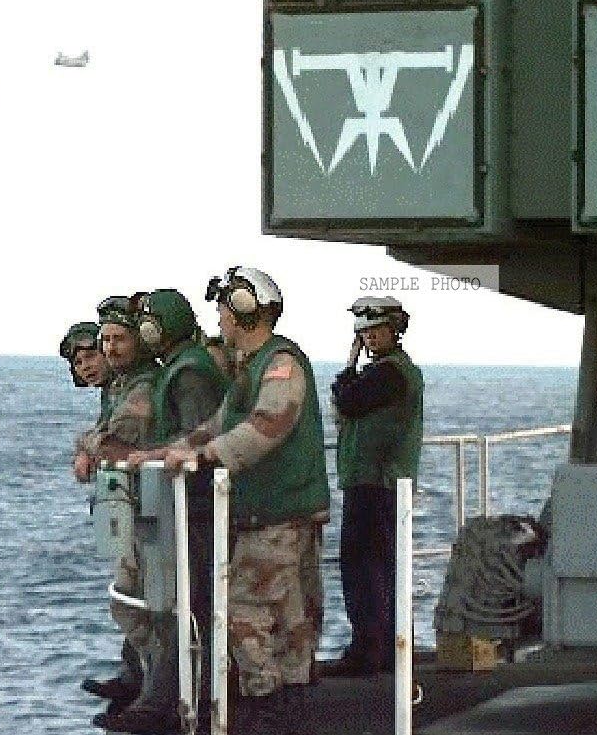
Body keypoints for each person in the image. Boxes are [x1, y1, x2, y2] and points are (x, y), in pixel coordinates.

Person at [139, 266, 328, 735]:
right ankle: (289, 703)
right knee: (288, 615)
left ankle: (267, 704)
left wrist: (205, 458)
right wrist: (170, 451)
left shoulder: (280, 363)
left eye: (224, 308)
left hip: (281, 514)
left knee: (244, 611)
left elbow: (269, 425)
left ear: (245, 310)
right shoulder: (251, 367)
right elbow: (220, 424)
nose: (219, 318)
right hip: (270, 512)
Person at [102, 289, 230, 735]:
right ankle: (159, 691)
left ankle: (166, 699)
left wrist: (153, 459)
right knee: (170, 601)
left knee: (179, 603)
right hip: (180, 503)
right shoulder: (181, 368)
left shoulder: (190, 373)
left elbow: (195, 437)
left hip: (189, 504)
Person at [324, 296, 423, 676]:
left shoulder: (389, 373)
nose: (369, 338)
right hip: (378, 482)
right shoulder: (390, 372)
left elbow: (347, 401)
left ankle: (371, 651)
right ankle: (381, 645)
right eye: (364, 333)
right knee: (377, 567)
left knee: (364, 566)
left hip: (376, 483)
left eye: (375, 331)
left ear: (394, 330)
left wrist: (349, 364)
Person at [75, 297, 161, 729]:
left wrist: (87, 445)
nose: (108, 350)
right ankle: (136, 680)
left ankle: (152, 689)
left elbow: (117, 438)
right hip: (132, 506)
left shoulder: (143, 385)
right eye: (103, 340)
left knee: (142, 601)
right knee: (132, 597)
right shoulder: (122, 387)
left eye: (117, 339)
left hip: (151, 508)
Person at [61, 321, 113, 484]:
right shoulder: (110, 392)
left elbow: (114, 441)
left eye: (90, 356)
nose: (85, 367)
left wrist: (84, 445)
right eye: (78, 362)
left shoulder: (129, 387)